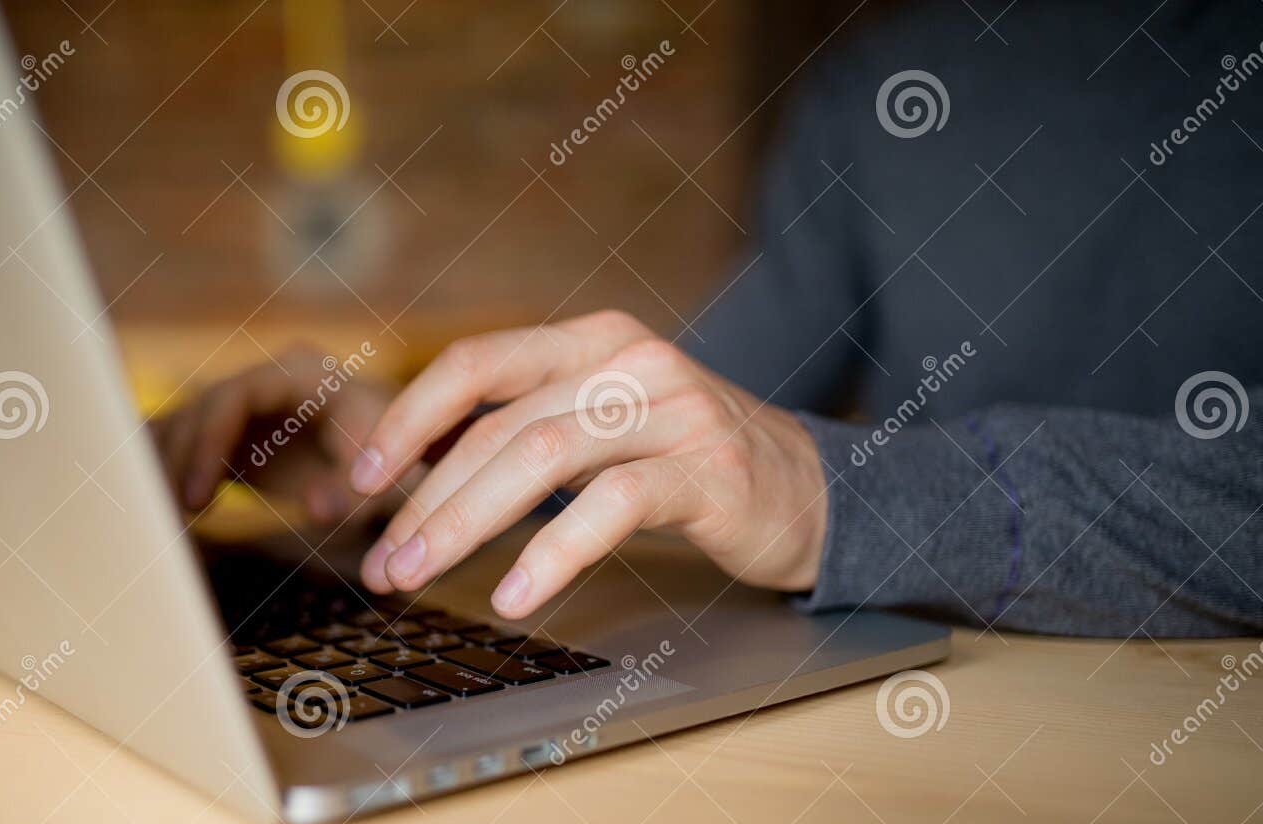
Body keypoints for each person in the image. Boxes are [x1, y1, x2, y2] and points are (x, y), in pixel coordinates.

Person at [157, 0, 1262, 639]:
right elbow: (695, 428)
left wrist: (835, 495)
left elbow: (796, 477)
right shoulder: (885, 79)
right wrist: (402, 464)